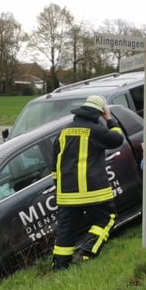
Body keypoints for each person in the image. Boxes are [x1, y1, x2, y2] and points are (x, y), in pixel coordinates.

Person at [52, 95, 124, 270]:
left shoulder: (63, 133)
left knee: (66, 232)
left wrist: (59, 188)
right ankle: (86, 252)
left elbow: (54, 166)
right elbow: (117, 139)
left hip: (66, 195)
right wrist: (109, 119)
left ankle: (60, 267)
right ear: (98, 113)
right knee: (107, 218)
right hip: (93, 192)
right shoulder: (96, 130)